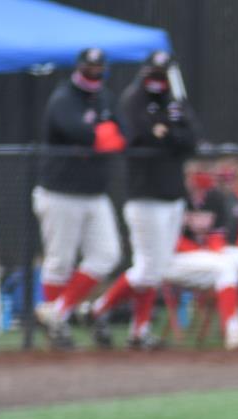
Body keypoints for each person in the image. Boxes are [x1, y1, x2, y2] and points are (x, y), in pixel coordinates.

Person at [90, 51, 197, 350]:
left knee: (157, 269)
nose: (157, 81)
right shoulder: (133, 99)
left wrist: (169, 131)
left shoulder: (175, 99)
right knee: (148, 268)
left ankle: (138, 331)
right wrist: (165, 132)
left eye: (161, 75)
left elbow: (191, 139)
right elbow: (141, 135)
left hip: (173, 197)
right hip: (145, 197)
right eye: (153, 74)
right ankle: (98, 309)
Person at [33, 48, 127, 349]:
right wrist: (102, 134)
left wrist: (103, 135)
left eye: (99, 66)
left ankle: (57, 313)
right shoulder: (63, 98)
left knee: (108, 255)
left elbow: (121, 136)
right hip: (60, 192)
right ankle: (56, 330)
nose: (95, 71)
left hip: (94, 193)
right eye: (90, 66)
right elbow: (95, 137)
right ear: (79, 67)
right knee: (59, 261)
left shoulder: (105, 97)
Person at [163, 160, 238, 349]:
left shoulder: (215, 198)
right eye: (196, 171)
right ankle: (232, 328)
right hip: (175, 258)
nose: (200, 175)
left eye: (204, 170)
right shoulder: (175, 199)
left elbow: (218, 235)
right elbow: (172, 241)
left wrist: (213, 251)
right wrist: (206, 253)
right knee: (225, 267)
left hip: (205, 256)